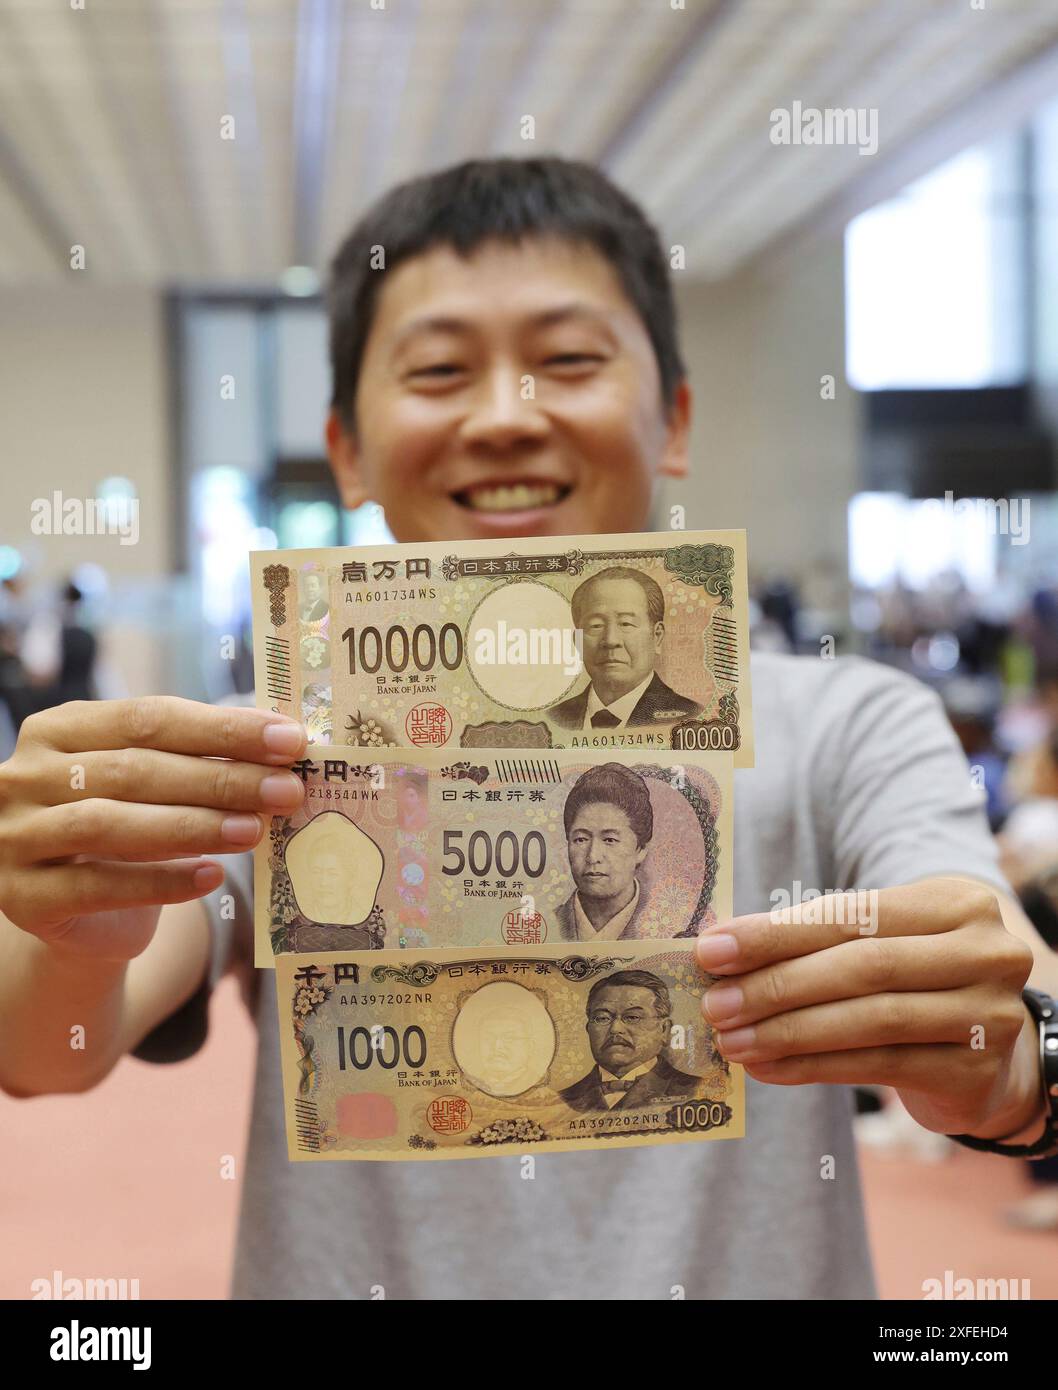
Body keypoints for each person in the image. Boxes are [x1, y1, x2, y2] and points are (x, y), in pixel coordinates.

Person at [1, 156, 1056, 1301]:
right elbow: (44, 1050)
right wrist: (70, 926)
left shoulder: (847, 723)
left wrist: (1007, 1053)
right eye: (441, 368)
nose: (506, 416)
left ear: (675, 417)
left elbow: (1001, 974)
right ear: (347, 446)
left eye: (568, 359)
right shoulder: (267, 757)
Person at [548, 568, 702, 729]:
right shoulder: (555, 719)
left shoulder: (691, 718)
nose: (610, 640)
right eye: (596, 625)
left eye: (626, 623)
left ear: (657, 636)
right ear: (577, 641)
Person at [558, 970, 701, 1112]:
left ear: (663, 1030)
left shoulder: (699, 1090)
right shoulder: (560, 1101)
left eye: (632, 1017)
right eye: (602, 1018)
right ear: (588, 1028)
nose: (615, 1029)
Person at [555, 762, 654, 941]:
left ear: (641, 849)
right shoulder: (550, 923)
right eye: (581, 839)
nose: (592, 857)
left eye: (610, 840)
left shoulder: (663, 924)